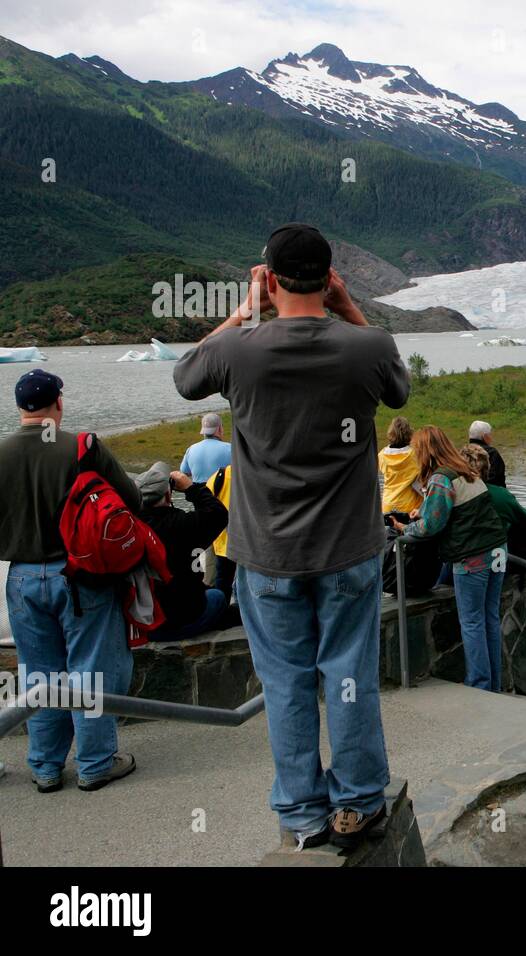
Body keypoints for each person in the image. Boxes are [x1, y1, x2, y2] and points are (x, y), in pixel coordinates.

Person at [174, 222, 410, 850]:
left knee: (286, 684)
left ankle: (302, 814)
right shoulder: (366, 346)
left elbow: (185, 374)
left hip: (267, 555)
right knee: (349, 674)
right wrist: (348, 306)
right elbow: (399, 387)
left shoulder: (239, 351)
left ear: (270, 278)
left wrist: (246, 310)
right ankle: (358, 801)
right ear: (330, 277)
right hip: (349, 551)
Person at [0, 369, 138, 792]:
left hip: (22, 578)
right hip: (80, 577)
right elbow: (129, 501)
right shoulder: (83, 447)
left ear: (20, 406)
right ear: (58, 402)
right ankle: (95, 764)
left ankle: (45, 767)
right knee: (90, 671)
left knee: (39, 676)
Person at [396, 427, 506, 691]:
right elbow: (456, 508)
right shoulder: (465, 470)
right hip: (498, 549)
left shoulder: (440, 478)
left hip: (472, 557)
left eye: (416, 449)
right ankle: (494, 684)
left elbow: (432, 526)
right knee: (490, 617)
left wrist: (405, 530)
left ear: (425, 450)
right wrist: (423, 509)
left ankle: (479, 685)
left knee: (471, 622)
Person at [135, 462, 230, 642]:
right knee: (216, 596)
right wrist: (191, 488)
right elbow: (218, 513)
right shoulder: (185, 524)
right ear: (168, 495)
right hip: (187, 618)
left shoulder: (132, 528)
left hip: (148, 623)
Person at [460, 443, 526, 560]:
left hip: (467, 558)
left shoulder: (454, 494)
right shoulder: (502, 494)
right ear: (487, 467)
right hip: (499, 555)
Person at [204, 463, 238, 603]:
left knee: (222, 582)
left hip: (223, 543)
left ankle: (221, 613)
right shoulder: (258, 474)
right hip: (252, 547)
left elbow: (206, 505)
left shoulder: (220, 476)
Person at [379, 416, 423, 518]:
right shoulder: (415, 454)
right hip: (410, 508)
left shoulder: (381, 455)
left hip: (387, 506)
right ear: (409, 433)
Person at [179, 412, 232, 483]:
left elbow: (184, 472)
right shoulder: (229, 448)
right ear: (219, 429)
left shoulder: (191, 449)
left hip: (198, 493)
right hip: (221, 493)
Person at [468, 420, 506, 487]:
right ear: (484, 436)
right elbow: (498, 477)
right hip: (489, 491)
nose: (491, 437)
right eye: (490, 434)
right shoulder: (492, 453)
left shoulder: (463, 452)